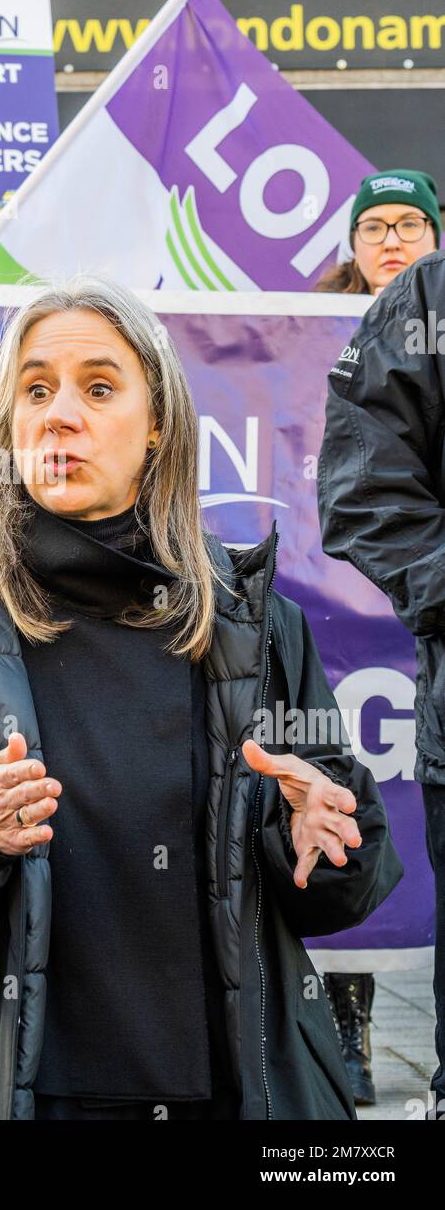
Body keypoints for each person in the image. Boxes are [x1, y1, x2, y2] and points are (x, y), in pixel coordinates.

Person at [0, 274, 401, 1120]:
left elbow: (338, 888)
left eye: (99, 388)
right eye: (35, 389)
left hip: (218, 1094)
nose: (59, 413)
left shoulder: (257, 621)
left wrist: (326, 834)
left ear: (157, 429)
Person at [313, 168, 440, 1105]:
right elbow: (366, 495)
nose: (394, 239)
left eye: (411, 223)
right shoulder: (421, 313)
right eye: (377, 225)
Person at [315, 168, 440, 298]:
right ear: (354, 248)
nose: (391, 243)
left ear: (434, 245)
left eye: (409, 224)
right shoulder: (320, 314)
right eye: (373, 228)